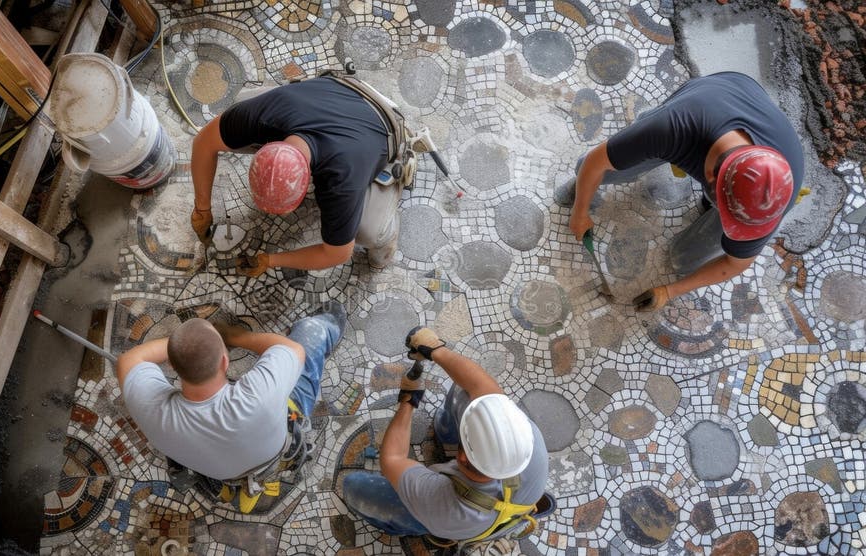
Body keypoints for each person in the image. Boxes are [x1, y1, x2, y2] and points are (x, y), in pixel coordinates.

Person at [561, 71, 804, 311]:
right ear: (708, 177)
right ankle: (642, 129)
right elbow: (595, 162)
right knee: (586, 168)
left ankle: (708, 202)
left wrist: (669, 292)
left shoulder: (774, 194)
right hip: (712, 96)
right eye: (722, 206)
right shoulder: (673, 127)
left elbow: (735, 264)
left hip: (737, 121)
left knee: (682, 259)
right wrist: (580, 212)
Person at [342, 327, 552, 545]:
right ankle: (446, 432)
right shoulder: (530, 442)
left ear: (461, 457)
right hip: (511, 504)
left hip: (456, 521)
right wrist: (436, 350)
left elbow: (393, 459)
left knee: (354, 487)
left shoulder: (444, 505)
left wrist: (408, 401)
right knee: (467, 393)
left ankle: (413, 527)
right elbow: (482, 386)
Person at [189, 75, 408, 275]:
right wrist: (202, 208)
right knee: (240, 108)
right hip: (340, 89)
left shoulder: (340, 180)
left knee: (368, 232)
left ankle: (387, 229)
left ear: (307, 185)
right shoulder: (263, 115)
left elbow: (338, 253)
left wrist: (270, 260)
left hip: (385, 122)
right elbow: (203, 142)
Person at [114, 304, 344, 493]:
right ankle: (332, 324)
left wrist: (183, 345)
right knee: (312, 330)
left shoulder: (151, 409)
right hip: (278, 452)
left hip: (225, 475)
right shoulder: (258, 395)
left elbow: (128, 360)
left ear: (171, 365)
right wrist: (237, 337)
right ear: (225, 361)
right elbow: (293, 349)